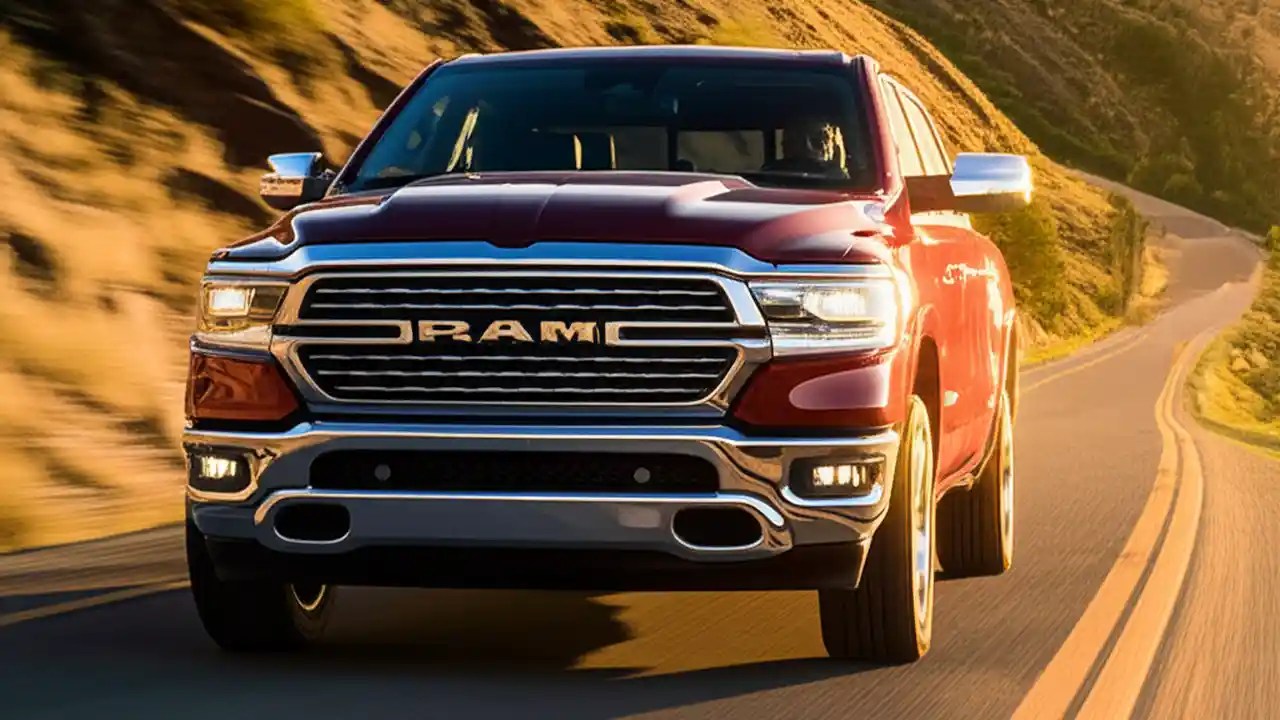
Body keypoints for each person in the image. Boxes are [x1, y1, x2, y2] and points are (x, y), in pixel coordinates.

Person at [764, 116, 848, 177]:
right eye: (798, 139)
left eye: (819, 139)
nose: (808, 146)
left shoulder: (839, 179)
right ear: (786, 145)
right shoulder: (771, 176)